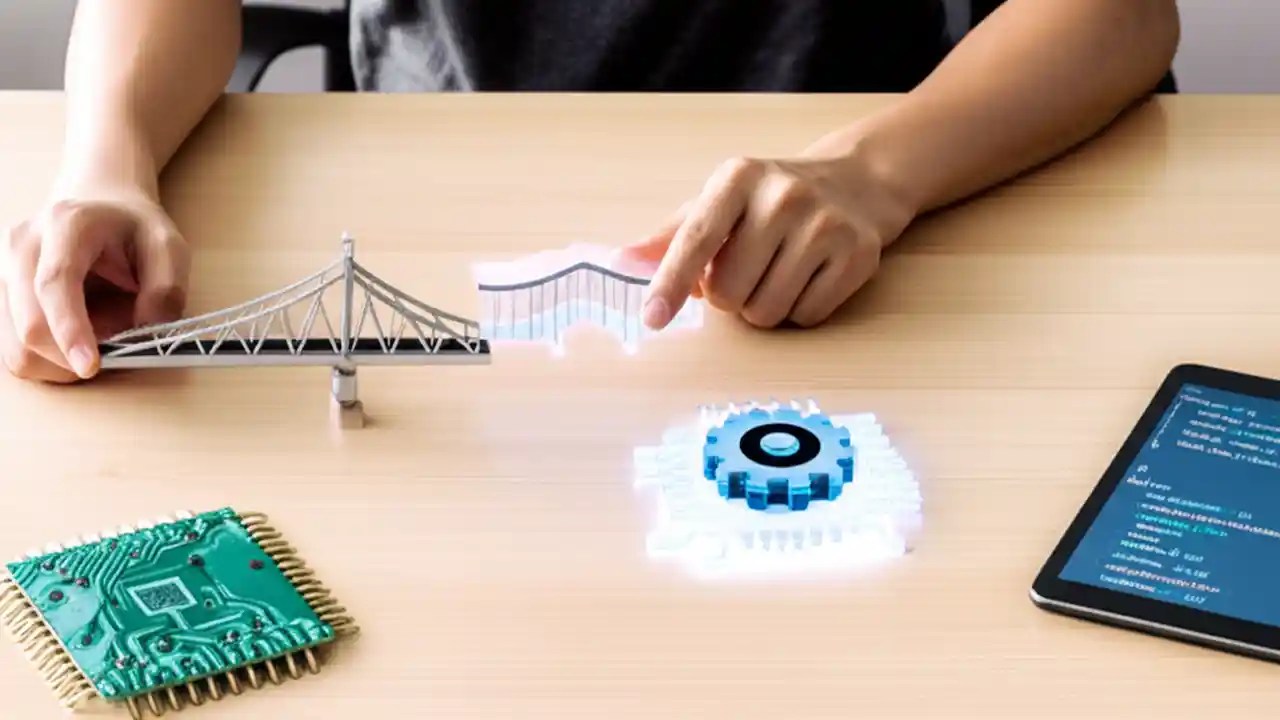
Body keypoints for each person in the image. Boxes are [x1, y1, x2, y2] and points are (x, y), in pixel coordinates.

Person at [0, 0, 1180, 383]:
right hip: (428, 201)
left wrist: (878, 170)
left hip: (854, 234)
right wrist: (106, 160)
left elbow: (1124, 14)